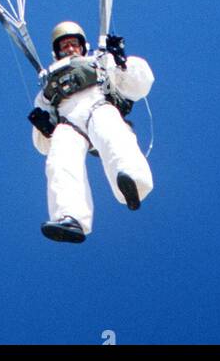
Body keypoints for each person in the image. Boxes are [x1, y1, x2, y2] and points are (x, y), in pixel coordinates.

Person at [28, 20, 154, 243]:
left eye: (73, 44)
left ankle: (134, 183)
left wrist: (122, 61)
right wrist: (44, 128)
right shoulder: (47, 88)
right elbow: (43, 146)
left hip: (99, 106)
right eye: (64, 46)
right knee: (60, 159)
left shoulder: (101, 62)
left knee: (112, 132)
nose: (69, 48)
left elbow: (139, 85)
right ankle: (70, 217)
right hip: (68, 124)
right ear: (57, 52)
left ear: (82, 46)